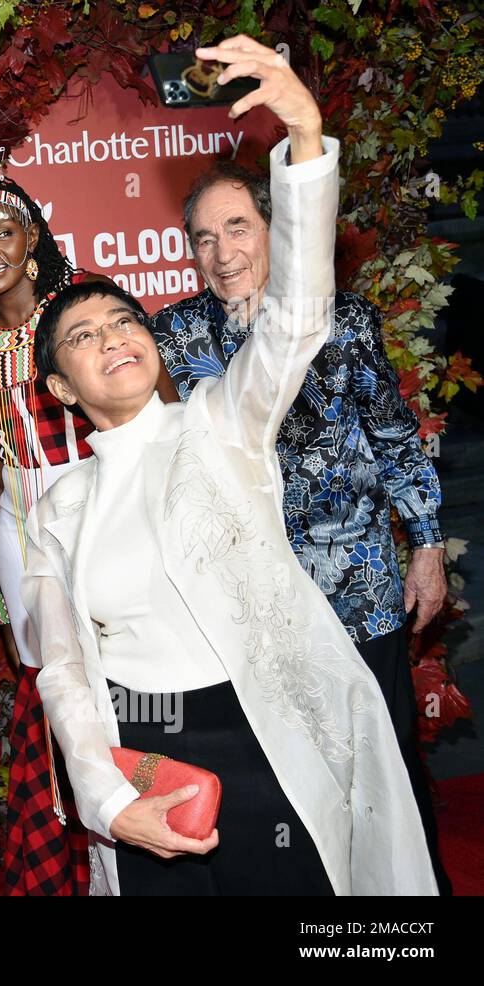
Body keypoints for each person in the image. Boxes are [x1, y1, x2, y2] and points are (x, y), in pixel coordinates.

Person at [21, 36, 437, 895]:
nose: (114, 338)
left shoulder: (219, 420)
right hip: (149, 768)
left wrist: (305, 130)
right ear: (61, 386)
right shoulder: (58, 507)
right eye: (84, 336)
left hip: (265, 737)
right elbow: (63, 669)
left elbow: (293, 320)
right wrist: (103, 796)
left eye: (123, 320)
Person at [151, 128, 451, 893]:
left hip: (357, 586)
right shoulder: (177, 334)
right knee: (291, 775)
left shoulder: (343, 323)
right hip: (258, 599)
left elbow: (393, 436)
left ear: (277, 228)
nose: (221, 253)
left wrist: (424, 546)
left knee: (384, 758)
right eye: (203, 239)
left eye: (238, 229)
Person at [0, 146, 96, 895]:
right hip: (20, 520)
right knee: (51, 689)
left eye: (2, 231)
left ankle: (129, 841)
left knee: (117, 676)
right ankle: (69, 859)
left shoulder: (84, 307)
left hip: (97, 500)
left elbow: (154, 413)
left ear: (32, 235)